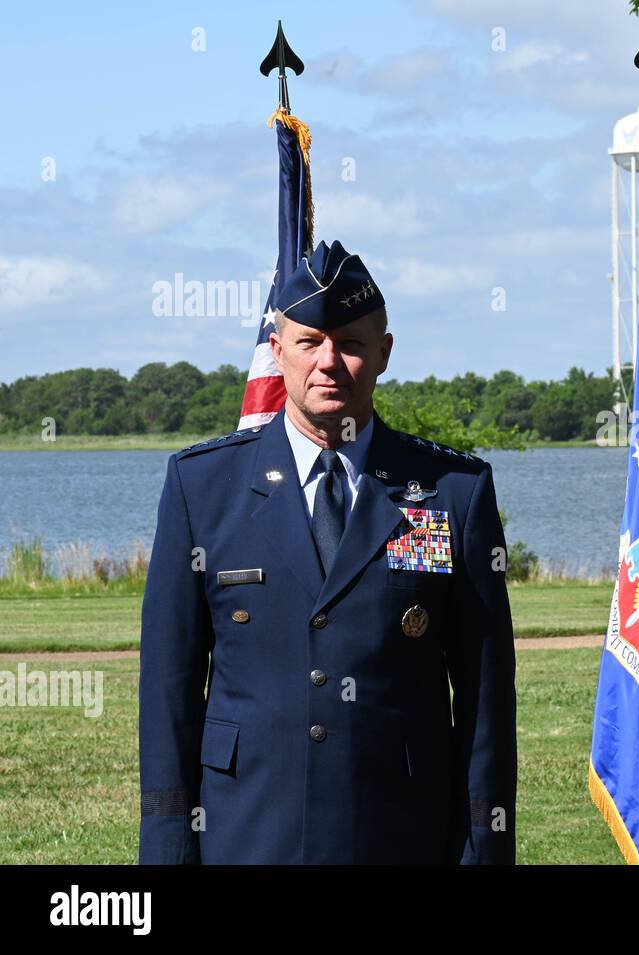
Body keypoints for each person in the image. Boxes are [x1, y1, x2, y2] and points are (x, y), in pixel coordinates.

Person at [139, 240, 516, 864]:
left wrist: (484, 849)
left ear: (385, 353)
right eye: (310, 342)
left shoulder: (453, 493)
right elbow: (169, 694)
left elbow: (485, 697)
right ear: (278, 349)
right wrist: (167, 852)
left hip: (400, 836)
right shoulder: (202, 488)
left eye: (351, 343)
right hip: (247, 832)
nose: (329, 363)